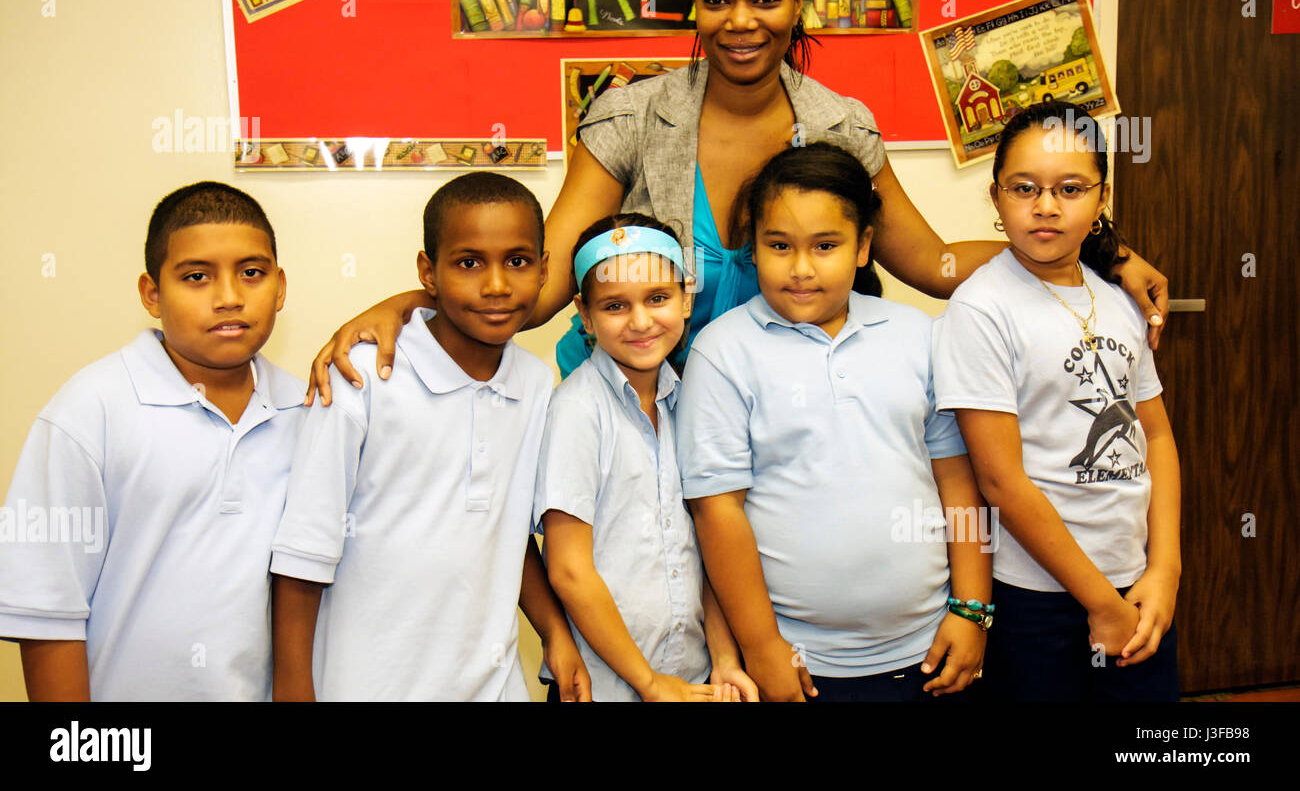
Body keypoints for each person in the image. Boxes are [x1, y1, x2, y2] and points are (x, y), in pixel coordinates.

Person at [302, 0, 1169, 400]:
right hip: (638, 399)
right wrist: (413, 303)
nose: (741, 21)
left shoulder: (840, 124)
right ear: (694, 7)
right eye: (718, 0)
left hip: (789, 403)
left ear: (799, 7)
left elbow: (934, 262)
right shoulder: (632, 117)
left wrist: (1104, 255)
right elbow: (547, 277)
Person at [677, 144, 992, 702]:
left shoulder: (916, 334)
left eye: (825, 246)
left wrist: (972, 608)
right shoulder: (721, 352)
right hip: (798, 667)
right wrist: (763, 647)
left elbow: (957, 480)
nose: (801, 268)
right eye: (779, 246)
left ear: (864, 246)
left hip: (928, 654)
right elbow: (716, 510)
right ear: (754, 247)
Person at [269, 173, 589, 701]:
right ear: (428, 272)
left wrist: (554, 631)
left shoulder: (535, 384)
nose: (496, 285)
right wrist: (293, 688)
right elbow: (304, 549)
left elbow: (506, 531)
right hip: (366, 685)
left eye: (517, 261)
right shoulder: (362, 377)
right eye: (468, 263)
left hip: (491, 682)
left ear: (544, 269)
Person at [0, 182, 304, 700]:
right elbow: (46, 613)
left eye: (251, 273)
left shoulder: (308, 412)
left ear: (279, 286)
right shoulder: (88, 411)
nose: (229, 297)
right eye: (196, 277)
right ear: (152, 293)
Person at [932, 102, 1181, 701]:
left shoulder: (1118, 299)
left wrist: (1165, 569)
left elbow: (1158, 439)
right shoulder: (982, 307)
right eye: (1025, 188)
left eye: (1070, 188)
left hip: (1138, 583)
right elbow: (1000, 482)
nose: (1046, 205)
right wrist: (1099, 602)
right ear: (996, 198)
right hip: (1039, 599)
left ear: (1101, 198)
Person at [534, 213, 757, 702]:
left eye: (658, 298)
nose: (640, 322)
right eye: (615, 305)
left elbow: (706, 546)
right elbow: (569, 570)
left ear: (686, 298)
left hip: (692, 682)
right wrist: (649, 683)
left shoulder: (690, 404)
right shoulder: (575, 411)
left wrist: (722, 660)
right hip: (608, 688)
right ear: (585, 315)